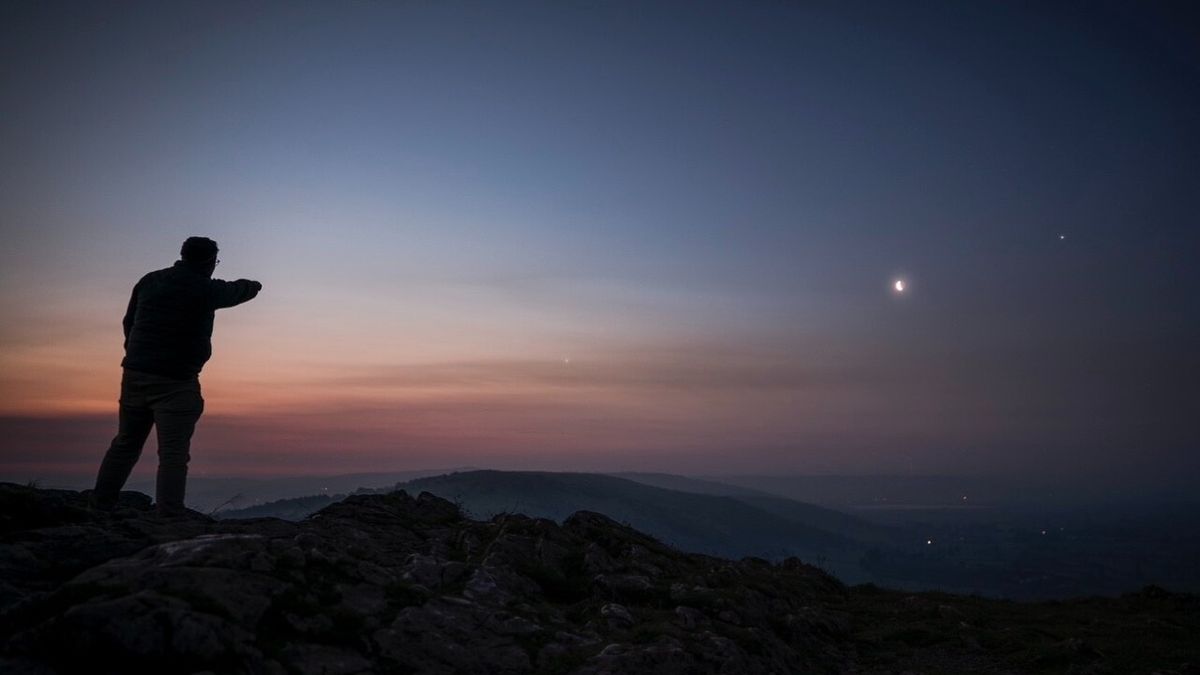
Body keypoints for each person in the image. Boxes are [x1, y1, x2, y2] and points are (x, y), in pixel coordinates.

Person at [91, 237, 262, 515]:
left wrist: (137, 356)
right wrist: (255, 285)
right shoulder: (205, 289)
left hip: (135, 374)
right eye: (215, 263)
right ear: (209, 262)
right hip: (177, 382)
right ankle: (169, 514)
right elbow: (242, 290)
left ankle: (100, 505)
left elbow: (129, 322)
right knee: (173, 453)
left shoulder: (150, 281)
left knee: (125, 444)